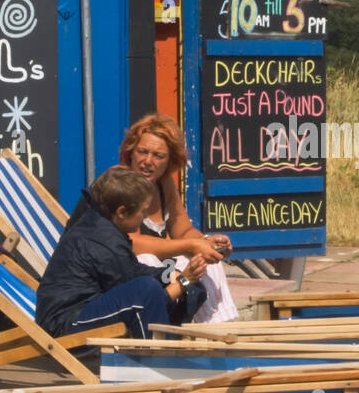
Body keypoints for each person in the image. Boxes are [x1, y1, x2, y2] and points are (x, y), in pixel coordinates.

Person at [35, 165, 207, 338]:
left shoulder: (103, 225)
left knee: (192, 289)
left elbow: (133, 271)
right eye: (142, 212)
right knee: (147, 290)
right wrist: (182, 282)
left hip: (82, 311)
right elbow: (139, 292)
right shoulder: (102, 239)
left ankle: (170, 344)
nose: (144, 217)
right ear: (122, 212)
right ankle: (159, 357)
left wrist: (170, 274)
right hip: (65, 324)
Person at [119, 113, 240, 324]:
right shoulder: (121, 183)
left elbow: (183, 231)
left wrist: (207, 242)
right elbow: (133, 244)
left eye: (158, 156)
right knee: (147, 259)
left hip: (154, 271)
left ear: (170, 161)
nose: (148, 161)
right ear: (130, 153)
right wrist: (192, 245)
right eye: (142, 152)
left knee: (205, 259)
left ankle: (219, 332)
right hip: (118, 272)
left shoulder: (163, 183)